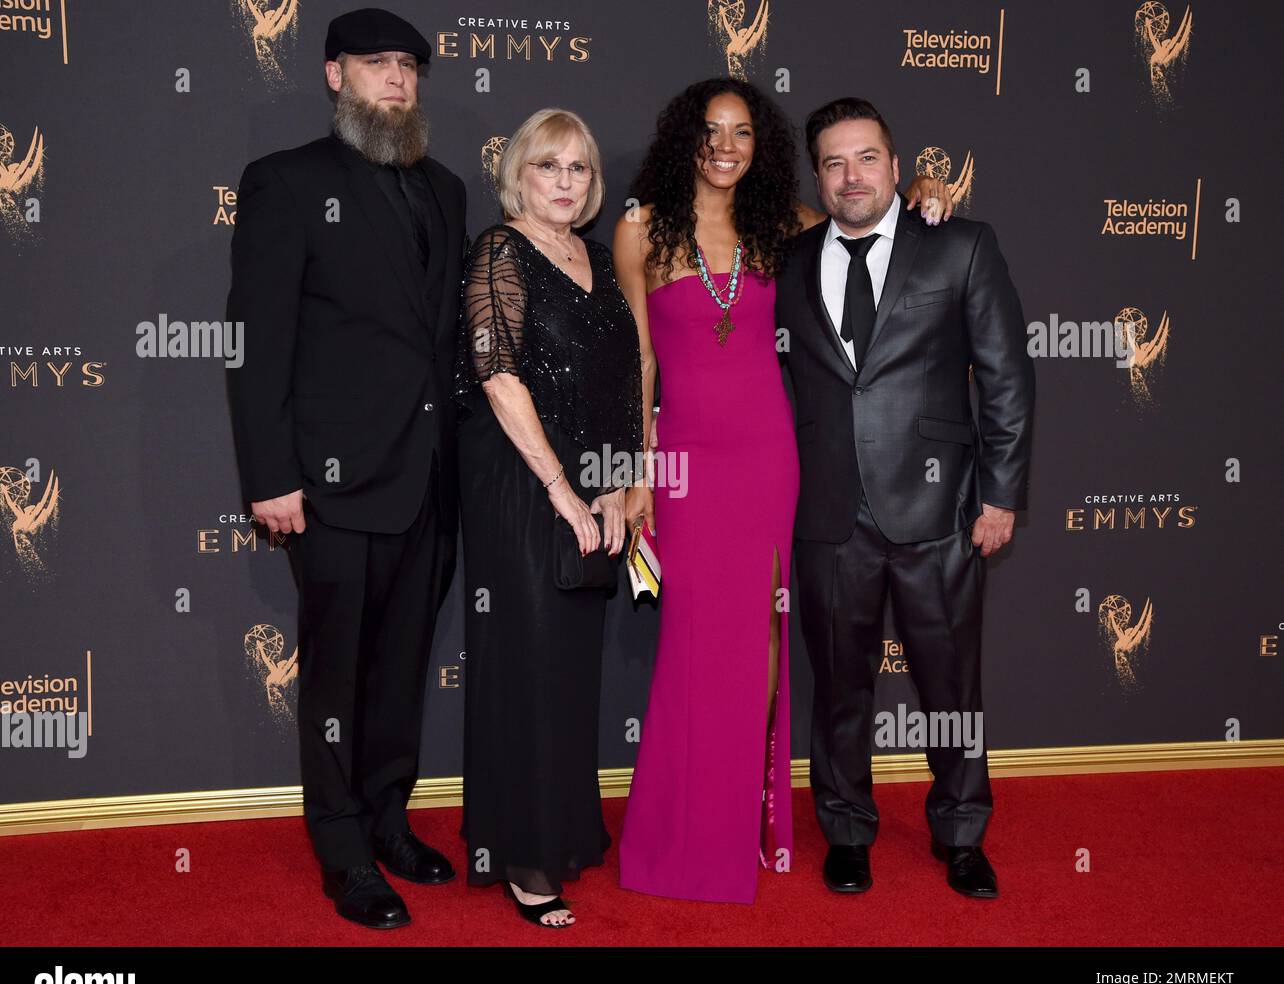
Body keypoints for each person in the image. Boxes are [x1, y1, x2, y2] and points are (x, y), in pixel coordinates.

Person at [614, 78, 950, 904]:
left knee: (761, 641)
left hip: (771, 461)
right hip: (687, 465)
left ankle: (744, 821)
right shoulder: (639, 232)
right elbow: (640, 367)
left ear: (759, 144)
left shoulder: (788, 227)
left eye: (741, 132)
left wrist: (921, 193)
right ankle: (678, 828)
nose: (725, 146)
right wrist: (636, 473)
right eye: (709, 131)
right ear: (682, 141)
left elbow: (868, 221)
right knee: (693, 641)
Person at [225, 9, 467, 929]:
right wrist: (270, 473)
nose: (396, 80)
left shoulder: (444, 189)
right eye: (376, 64)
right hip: (326, 486)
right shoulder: (285, 183)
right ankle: (341, 852)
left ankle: (388, 822)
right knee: (337, 677)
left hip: (427, 481)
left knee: (402, 668)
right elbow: (256, 344)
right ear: (335, 76)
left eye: (407, 65)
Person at [775, 97, 1034, 899]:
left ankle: (962, 835)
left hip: (940, 513)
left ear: (896, 164)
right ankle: (847, 832)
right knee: (840, 689)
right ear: (817, 175)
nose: (851, 176)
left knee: (951, 689)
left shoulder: (959, 245)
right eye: (833, 162)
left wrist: (1000, 494)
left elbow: (1007, 379)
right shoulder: (787, 260)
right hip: (826, 517)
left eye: (866, 158)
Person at [454, 109, 642, 928]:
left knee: (568, 669)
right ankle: (523, 859)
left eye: (578, 168)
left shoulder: (598, 258)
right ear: (518, 177)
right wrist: (564, 490)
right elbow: (498, 377)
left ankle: (561, 833)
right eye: (548, 167)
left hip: (589, 488)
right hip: (522, 481)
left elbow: (622, 382)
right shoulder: (499, 250)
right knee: (524, 665)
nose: (565, 182)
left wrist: (623, 480)